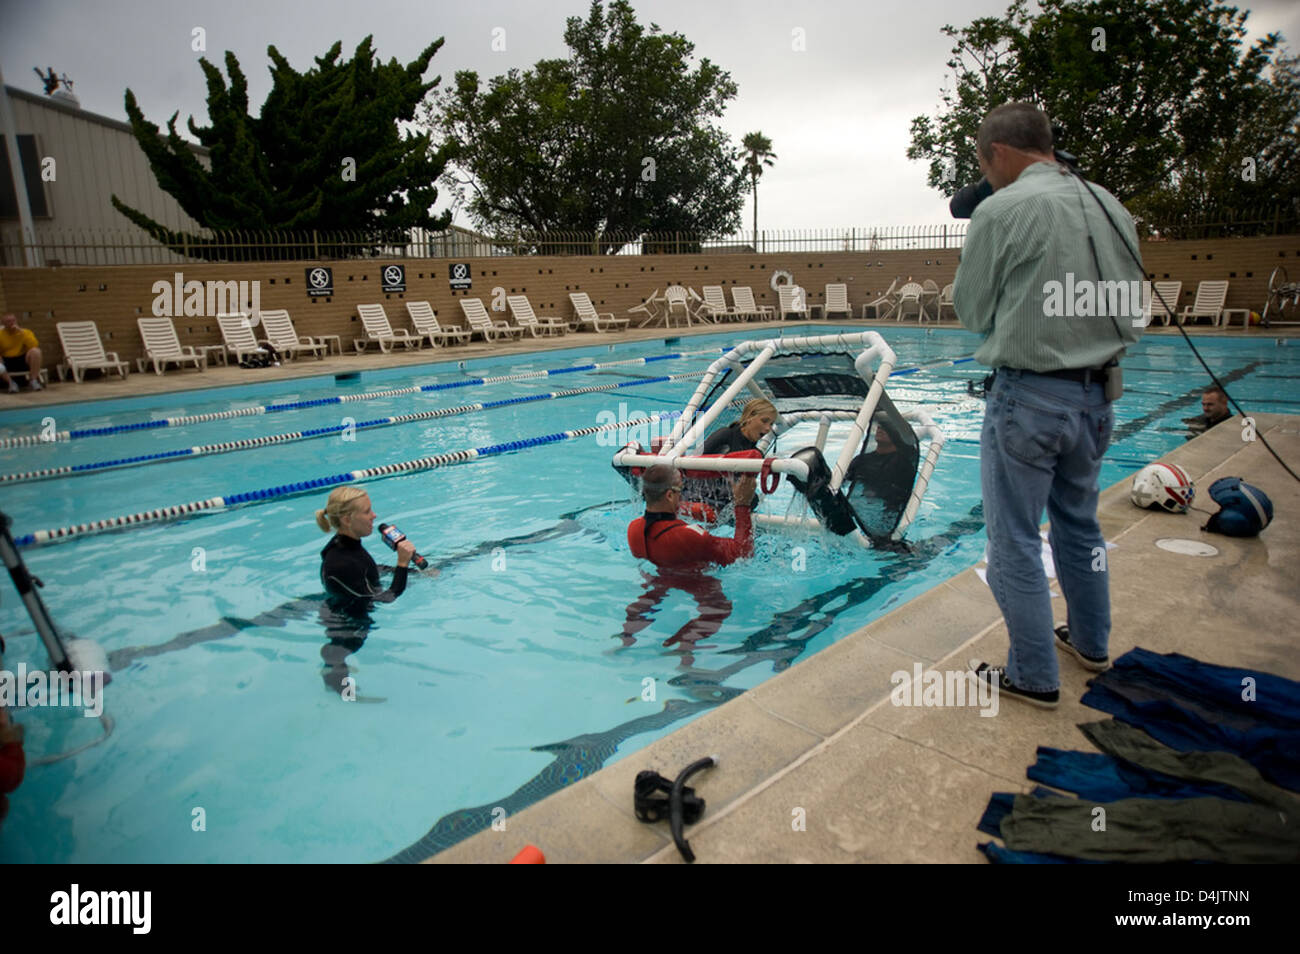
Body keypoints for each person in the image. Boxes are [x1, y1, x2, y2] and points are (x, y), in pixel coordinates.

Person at [953, 102, 1143, 708]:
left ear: (998, 153)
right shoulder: (1110, 206)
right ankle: (1090, 641)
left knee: (1013, 538)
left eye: (985, 166)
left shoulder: (1001, 209)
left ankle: (1032, 675)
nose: (987, 178)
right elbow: (1134, 309)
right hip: (1098, 396)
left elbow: (971, 312)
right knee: (1080, 524)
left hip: (1030, 397)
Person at [622, 465, 756, 657]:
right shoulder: (689, 536)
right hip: (697, 579)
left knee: (651, 596)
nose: (683, 496)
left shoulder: (633, 529)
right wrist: (742, 504)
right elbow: (742, 552)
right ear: (669, 495)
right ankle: (685, 647)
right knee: (720, 608)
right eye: (681, 490)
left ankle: (626, 637)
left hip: (661, 574)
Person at [315, 487, 415, 698]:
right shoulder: (341, 563)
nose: (374, 515)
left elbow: (367, 569)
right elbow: (387, 598)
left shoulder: (344, 547)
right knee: (344, 648)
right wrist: (402, 564)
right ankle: (344, 694)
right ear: (347, 520)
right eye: (367, 511)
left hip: (344, 600)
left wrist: (413, 571)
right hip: (348, 619)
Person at [845, 421, 917, 511]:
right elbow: (845, 482)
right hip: (859, 505)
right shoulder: (861, 460)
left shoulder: (903, 464)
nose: (880, 429)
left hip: (887, 509)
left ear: (898, 436)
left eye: (886, 428)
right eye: (879, 427)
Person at [701, 398, 777, 455]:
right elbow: (695, 461)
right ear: (750, 417)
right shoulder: (725, 435)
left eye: (771, 424)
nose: (768, 428)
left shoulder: (756, 454)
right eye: (764, 421)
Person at [0, 313, 44, 392]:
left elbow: (34, 345)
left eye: (13, 321)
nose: (12, 323)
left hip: (22, 359)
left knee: (36, 351)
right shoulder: (1, 334)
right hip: (6, 361)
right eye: (8, 321)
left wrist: (22, 333)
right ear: (3, 324)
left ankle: (33, 380)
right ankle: (11, 383)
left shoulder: (25, 332)